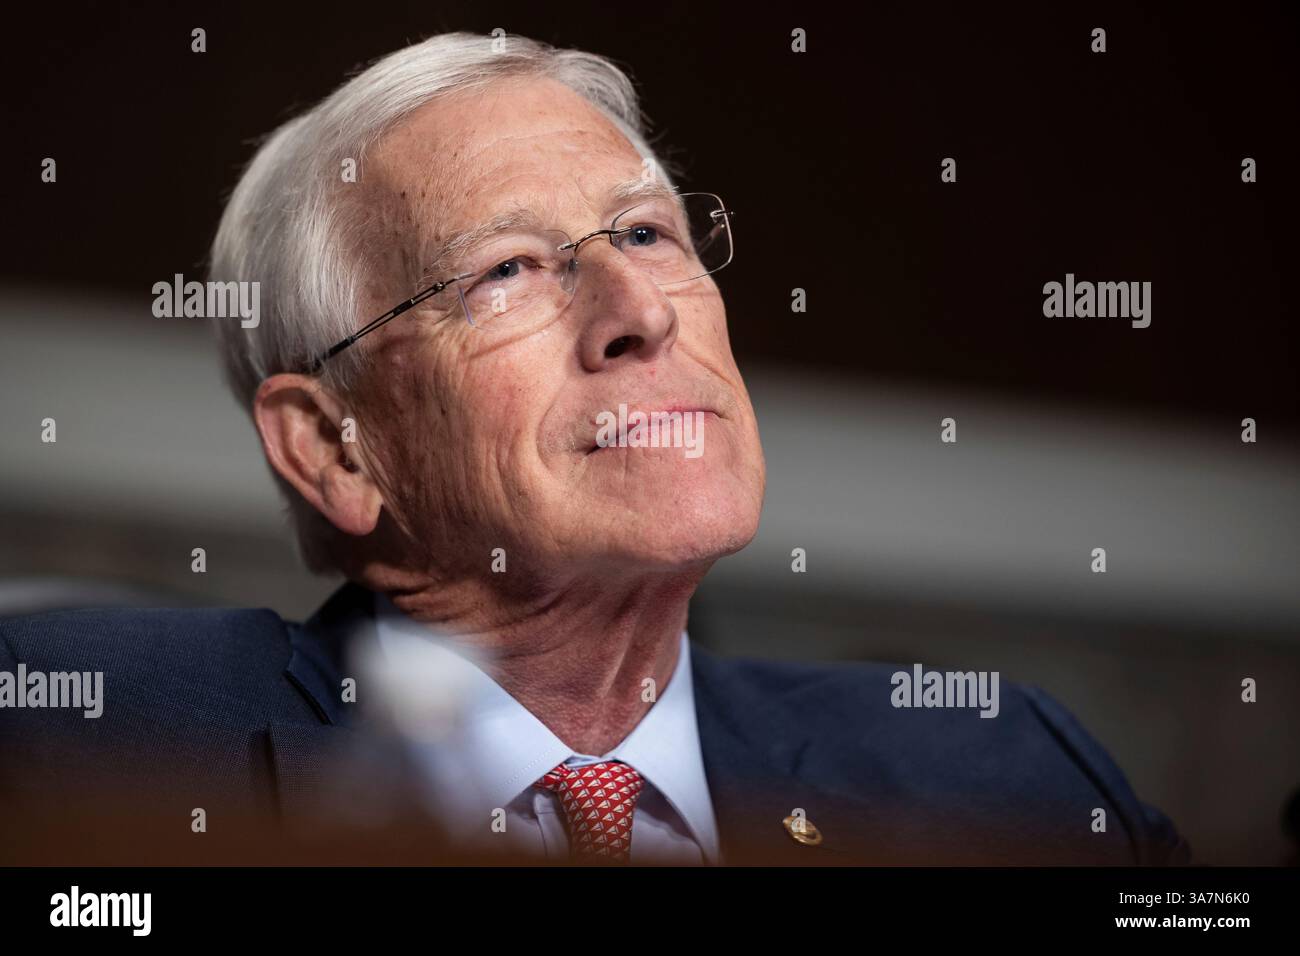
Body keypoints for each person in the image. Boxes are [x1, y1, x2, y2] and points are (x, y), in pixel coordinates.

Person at [0, 31, 1189, 866]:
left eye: (646, 231)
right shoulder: (76, 743)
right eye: (506, 268)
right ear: (335, 449)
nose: (643, 308)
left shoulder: (1008, 774)